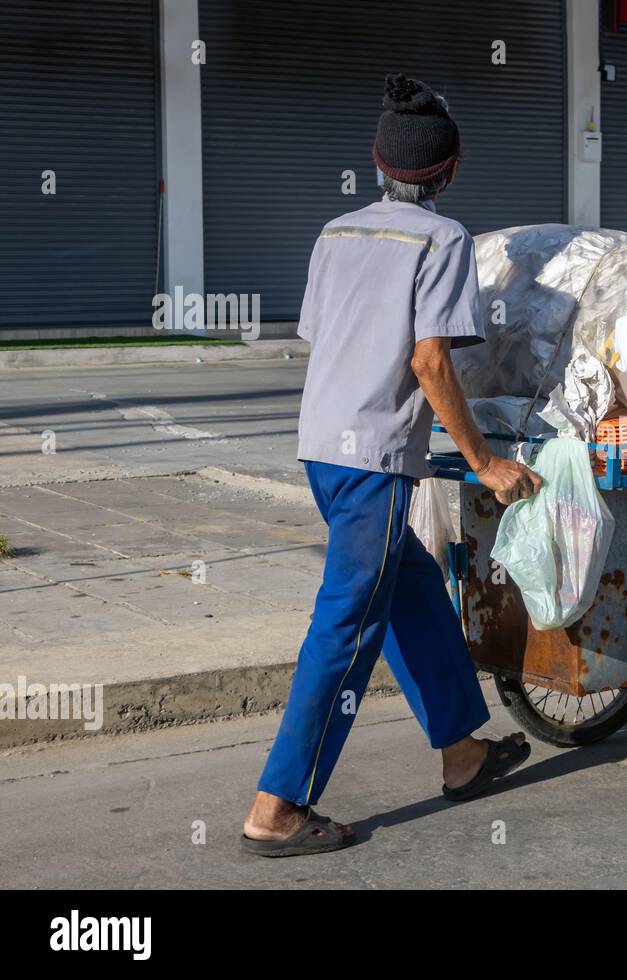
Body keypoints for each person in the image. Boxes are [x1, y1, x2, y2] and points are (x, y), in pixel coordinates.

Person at [242, 73, 540, 858]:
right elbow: (431, 360)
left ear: (377, 162)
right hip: (373, 465)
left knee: (410, 590)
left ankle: (464, 753)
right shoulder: (443, 241)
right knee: (344, 630)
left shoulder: (335, 233)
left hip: (321, 452)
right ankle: (276, 808)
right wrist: (484, 462)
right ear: (449, 171)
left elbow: (327, 337)